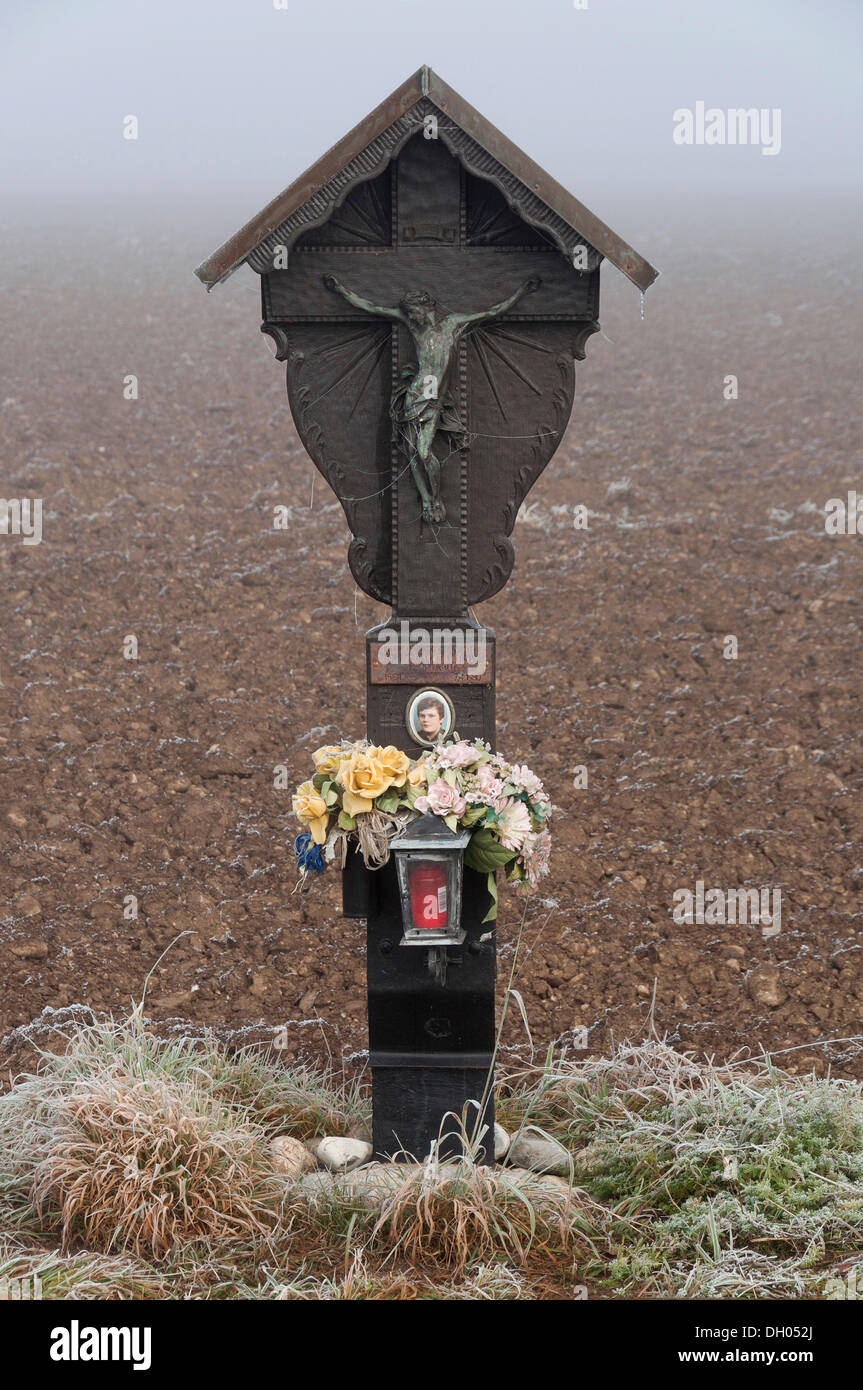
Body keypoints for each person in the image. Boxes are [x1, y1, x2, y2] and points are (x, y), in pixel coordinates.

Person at [323, 272, 541, 523]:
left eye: (414, 312)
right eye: (410, 314)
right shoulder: (415, 330)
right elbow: (372, 308)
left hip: (434, 398)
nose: (412, 318)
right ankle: (427, 500)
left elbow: (493, 312)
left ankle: (435, 497)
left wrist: (522, 292)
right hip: (417, 393)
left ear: (426, 308)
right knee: (412, 451)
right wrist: (340, 290)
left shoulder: (453, 325)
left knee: (424, 452)